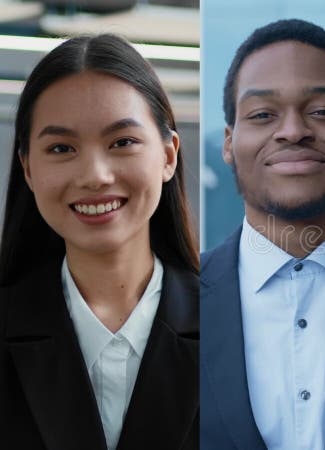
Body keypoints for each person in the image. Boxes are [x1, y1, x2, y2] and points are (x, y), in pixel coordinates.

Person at [199, 19, 325, 450]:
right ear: (229, 142)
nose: (292, 131)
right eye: (262, 115)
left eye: (323, 111)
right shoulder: (172, 297)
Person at [0, 34, 199, 449]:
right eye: (61, 147)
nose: (95, 175)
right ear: (28, 168)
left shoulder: (239, 329)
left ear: (168, 156)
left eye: (122, 142)